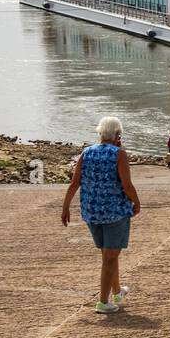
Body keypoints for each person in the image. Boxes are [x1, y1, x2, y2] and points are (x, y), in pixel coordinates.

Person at [61, 116, 141, 314]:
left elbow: (74, 183)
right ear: (118, 135)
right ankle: (103, 302)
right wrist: (136, 202)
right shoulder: (119, 154)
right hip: (115, 211)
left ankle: (117, 291)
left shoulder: (86, 153)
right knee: (110, 257)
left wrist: (65, 207)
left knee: (108, 255)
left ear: (100, 134)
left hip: (92, 211)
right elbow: (127, 184)